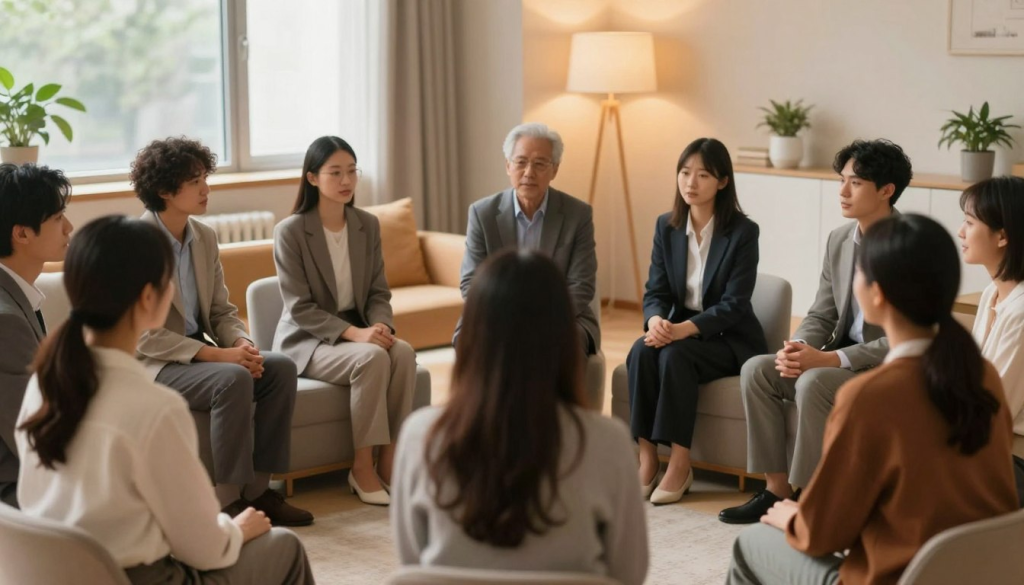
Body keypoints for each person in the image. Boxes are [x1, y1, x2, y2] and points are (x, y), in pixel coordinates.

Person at [15, 215, 315, 584]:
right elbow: (205, 549)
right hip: (137, 578)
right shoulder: (155, 408)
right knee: (284, 546)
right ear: (148, 298)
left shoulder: (43, 383)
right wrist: (237, 528)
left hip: (54, 572)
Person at [727, 214, 1018, 585]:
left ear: (876, 294)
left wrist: (792, 517)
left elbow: (823, 535)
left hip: (895, 576)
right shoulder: (982, 375)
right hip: (983, 571)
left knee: (752, 542)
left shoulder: (868, 397)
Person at [392, 250, 648, 585]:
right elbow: (629, 574)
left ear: (472, 337)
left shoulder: (420, 436)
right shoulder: (608, 442)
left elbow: (413, 565)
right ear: (564, 338)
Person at [721, 139, 912, 524]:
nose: (842, 191)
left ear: (887, 190)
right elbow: (822, 312)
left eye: (855, 183)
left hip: (887, 368)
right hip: (837, 358)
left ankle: (812, 499)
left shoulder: (910, 245)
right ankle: (776, 490)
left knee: (814, 381)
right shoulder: (840, 239)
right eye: (841, 180)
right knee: (758, 369)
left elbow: (903, 337)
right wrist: (798, 346)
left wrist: (829, 359)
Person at [130, 137, 312, 526]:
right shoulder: (135, 244)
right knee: (232, 378)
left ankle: (260, 491)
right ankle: (227, 500)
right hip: (153, 362)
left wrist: (243, 344)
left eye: (205, 178)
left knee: (279, 368)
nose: (206, 189)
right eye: (194, 181)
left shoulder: (205, 237)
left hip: (201, 354)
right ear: (164, 191)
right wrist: (221, 356)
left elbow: (220, 310)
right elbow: (143, 334)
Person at [274, 136, 417, 506]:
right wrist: (356, 334)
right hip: (308, 339)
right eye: (335, 172)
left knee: (402, 353)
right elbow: (300, 308)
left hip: (359, 329)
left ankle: (390, 461)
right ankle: (362, 467)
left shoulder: (366, 225)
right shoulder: (291, 231)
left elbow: (378, 292)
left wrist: (381, 326)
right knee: (372, 358)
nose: (346, 181)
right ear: (312, 178)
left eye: (352, 171)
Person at [627, 138, 764, 505]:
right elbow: (655, 291)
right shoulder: (666, 226)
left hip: (729, 336)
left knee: (676, 356)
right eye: (685, 172)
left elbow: (735, 304)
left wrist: (682, 331)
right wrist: (656, 320)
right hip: (679, 328)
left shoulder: (743, 232)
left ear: (722, 181)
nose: (691, 182)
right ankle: (647, 458)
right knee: (641, 351)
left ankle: (680, 462)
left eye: (703, 175)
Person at [455, 122, 599, 357]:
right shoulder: (482, 213)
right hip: (496, 315)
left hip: (561, 318)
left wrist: (539, 321)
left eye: (540, 163)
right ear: (508, 166)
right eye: (521, 162)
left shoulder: (577, 214)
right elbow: (471, 282)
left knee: (557, 342)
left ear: (554, 170)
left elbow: (581, 285)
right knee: (480, 341)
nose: (529, 172)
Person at [0, 163, 73, 508]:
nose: (69, 227)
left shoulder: (14, 296)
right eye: (58, 218)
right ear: (22, 234)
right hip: (17, 493)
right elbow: (34, 439)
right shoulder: (6, 321)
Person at [959, 175, 1024, 505]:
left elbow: (996, 408)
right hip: (988, 443)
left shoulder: (1021, 312)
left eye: (970, 223)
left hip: (1011, 457)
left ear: (1002, 236)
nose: (961, 232)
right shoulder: (991, 293)